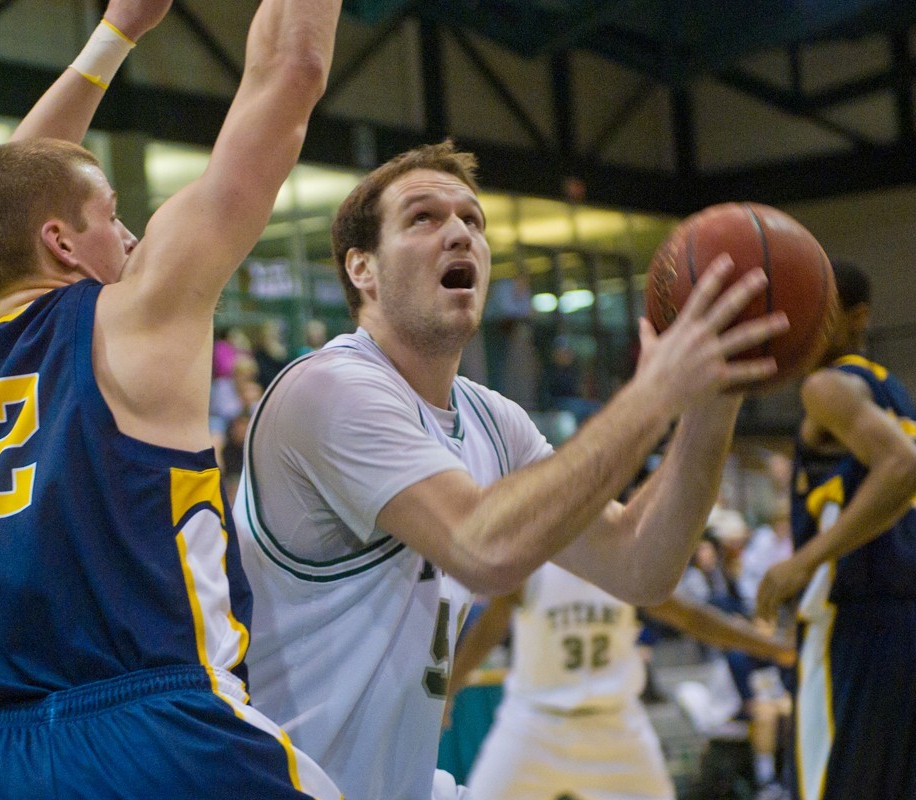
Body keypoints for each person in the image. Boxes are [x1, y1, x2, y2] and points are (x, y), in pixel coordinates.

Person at [0, 1, 343, 798]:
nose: (130, 240)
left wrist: (117, 32)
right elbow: (287, 77)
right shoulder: (135, 318)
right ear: (60, 242)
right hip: (161, 739)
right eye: (113, 216)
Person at [232, 141, 789, 800]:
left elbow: (641, 564)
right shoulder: (327, 388)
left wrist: (711, 405)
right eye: (423, 218)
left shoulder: (494, 420)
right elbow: (481, 547)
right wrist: (652, 395)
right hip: (278, 783)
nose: (459, 233)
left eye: (473, 220)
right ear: (363, 269)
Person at [755, 261, 916, 800]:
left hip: (854, 624)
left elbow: (902, 465)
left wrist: (802, 561)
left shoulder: (826, 386)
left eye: (817, 312)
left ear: (857, 319)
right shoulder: (895, 392)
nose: (799, 323)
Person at [446, 561, 795, 800]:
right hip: (535, 721)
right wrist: (449, 689)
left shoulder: (622, 561)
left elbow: (691, 617)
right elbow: (490, 628)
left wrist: (772, 647)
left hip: (613, 723)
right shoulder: (533, 559)